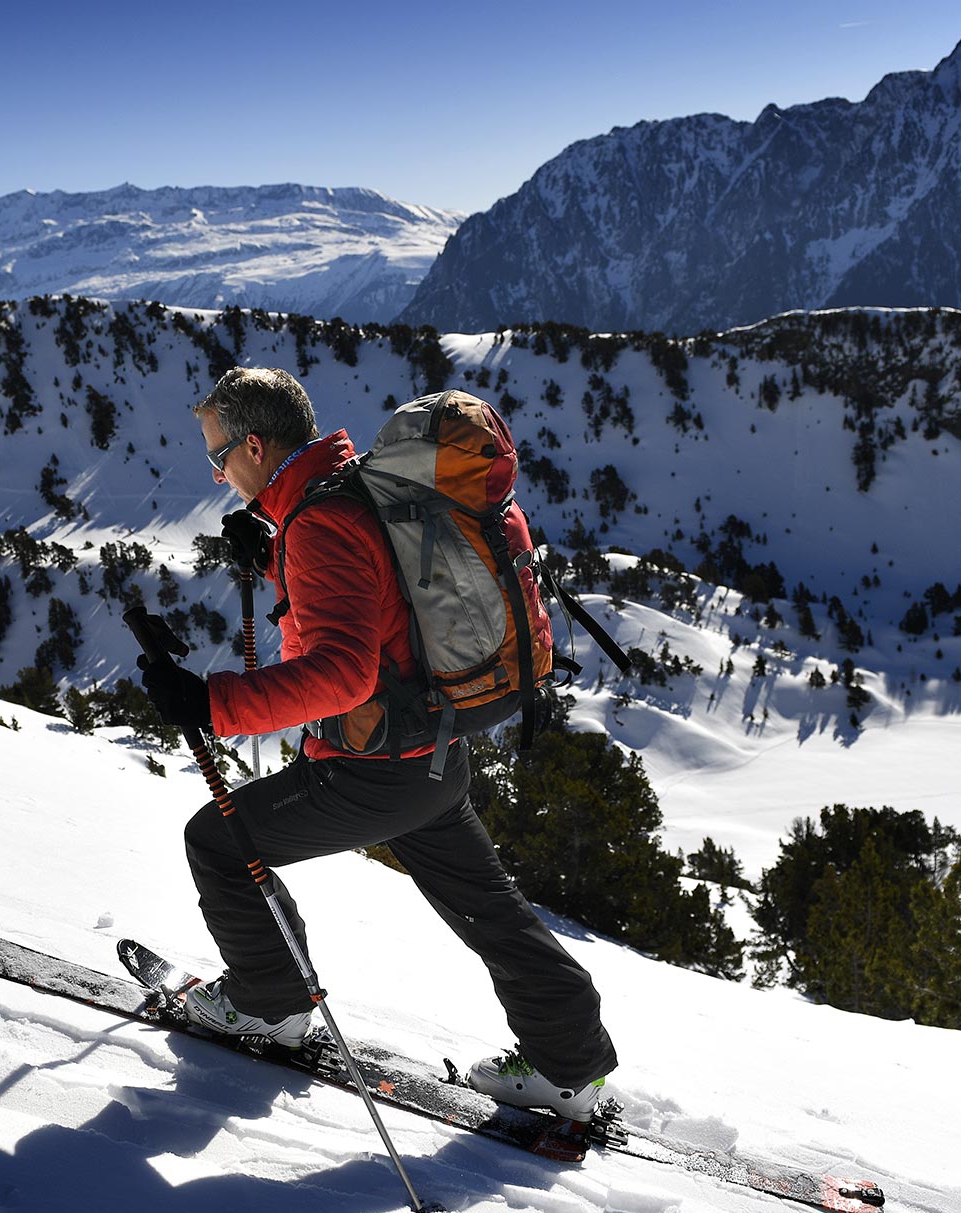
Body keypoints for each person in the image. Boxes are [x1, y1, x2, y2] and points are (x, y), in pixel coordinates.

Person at [135, 367, 618, 1121]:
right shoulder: (354, 485)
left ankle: (269, 1004)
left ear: (255, 447)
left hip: (371, 769)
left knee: (219, 844)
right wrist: (272, 555)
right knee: (489, 910)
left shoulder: (320, 521)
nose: (218, 474)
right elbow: (380, 597)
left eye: (219, 456)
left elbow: (344, 673)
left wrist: (210, 702)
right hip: (432, 756)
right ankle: (570, 1066)